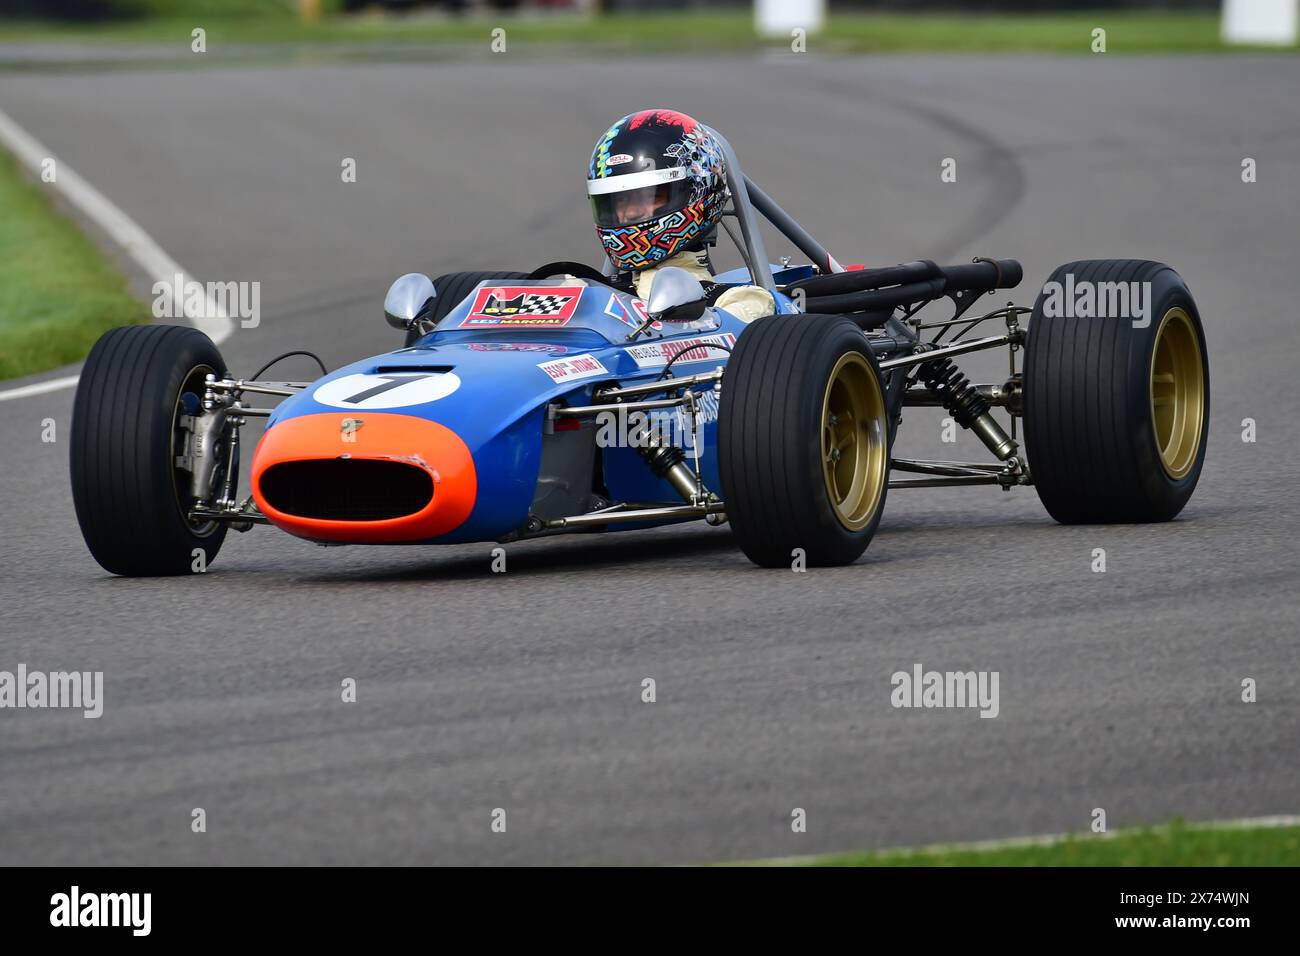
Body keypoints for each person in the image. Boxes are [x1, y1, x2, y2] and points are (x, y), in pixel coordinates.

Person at [586, 110, 775, 324]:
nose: (630, 213)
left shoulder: (739, 303)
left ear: (693, 192)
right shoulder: (588, 292)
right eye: (619, 202)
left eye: (646, 199)